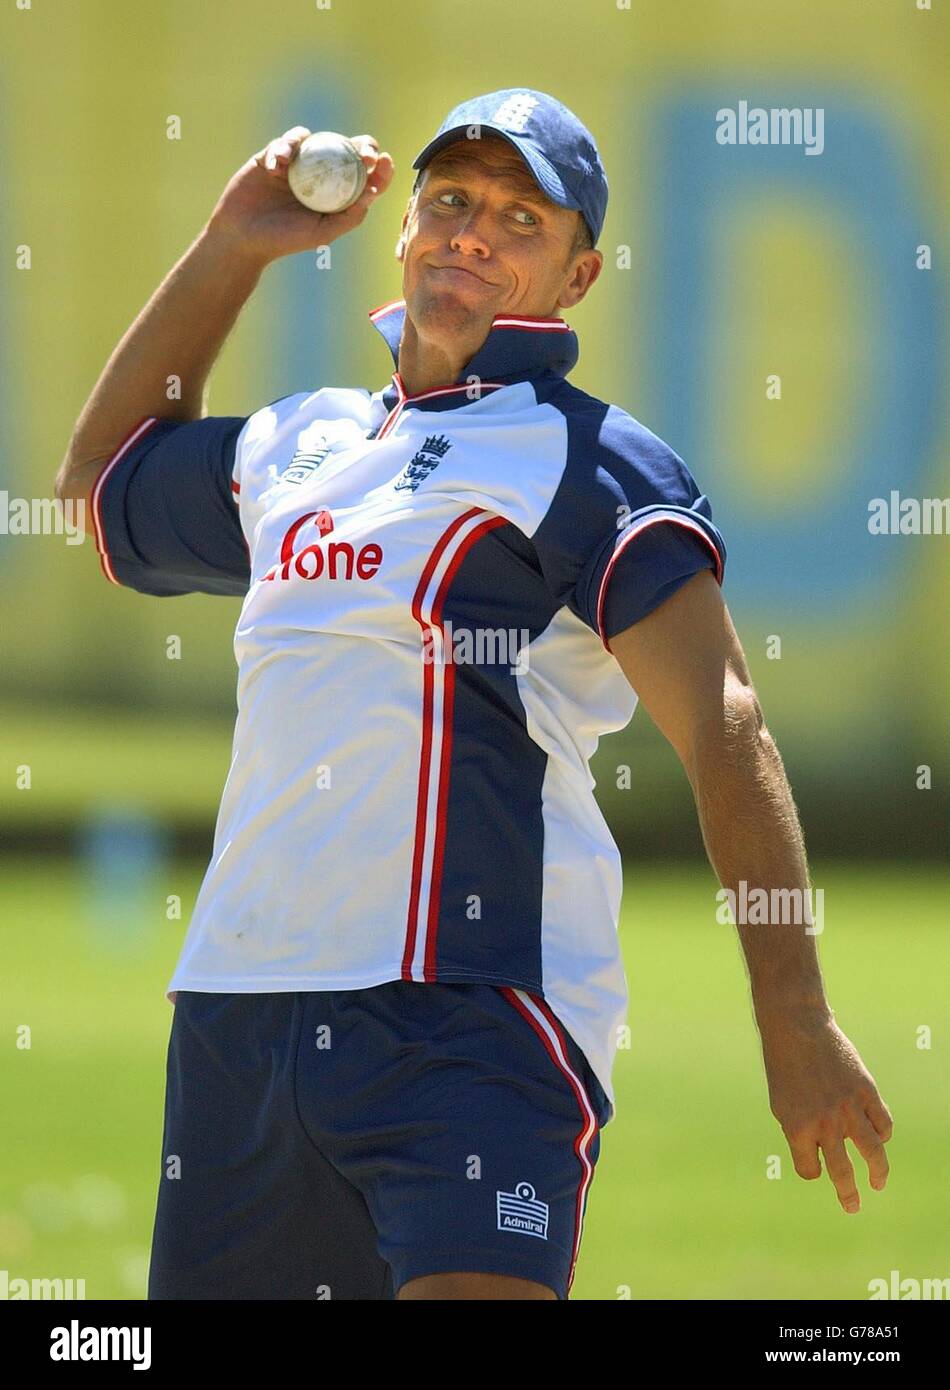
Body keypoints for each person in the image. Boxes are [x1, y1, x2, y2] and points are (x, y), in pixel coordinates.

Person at [56, 88, 893, 1301]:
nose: (470, 233)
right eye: (448, 200)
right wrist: (230, 246)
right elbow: (97, 487)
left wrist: (794, 1013)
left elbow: (724, 727)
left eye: (518, 218)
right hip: (243, 1012)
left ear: (577, 275)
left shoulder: (587, 459)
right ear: (399, 225)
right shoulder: (297, 444)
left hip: (475, 1015)